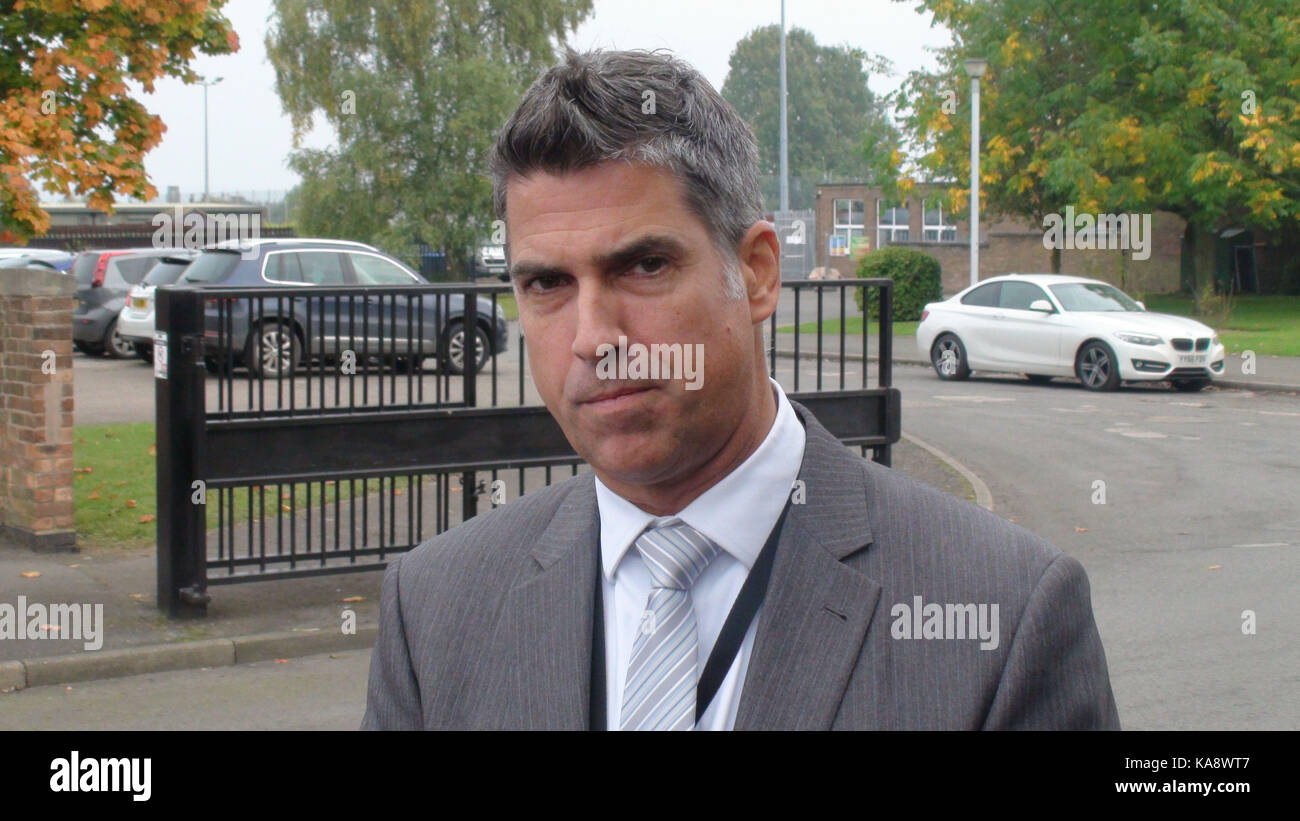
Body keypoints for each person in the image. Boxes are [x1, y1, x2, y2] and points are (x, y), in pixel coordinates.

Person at [362, 48, 1120, 730]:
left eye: (643, 266)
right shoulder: (433, 607)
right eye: (548, 283)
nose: (593, 336)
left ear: (757, 270)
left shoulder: (1004, 612)